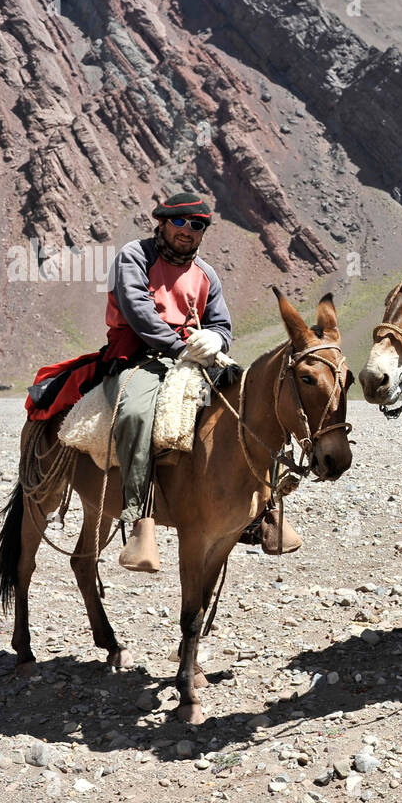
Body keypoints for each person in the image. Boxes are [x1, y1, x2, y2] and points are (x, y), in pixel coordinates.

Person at [101, 193, 299, 570]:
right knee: (136, 413)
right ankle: (141, 519)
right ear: (161, 223)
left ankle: (265, 511)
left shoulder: (206, 273)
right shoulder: (134, 257)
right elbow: (138, 312)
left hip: (198, 354)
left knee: (257, 404)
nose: (188, 231)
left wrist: (217, 340)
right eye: (180, 222)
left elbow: (222, 323)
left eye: (197, 225)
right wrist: (181, 346)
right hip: (140, 353)